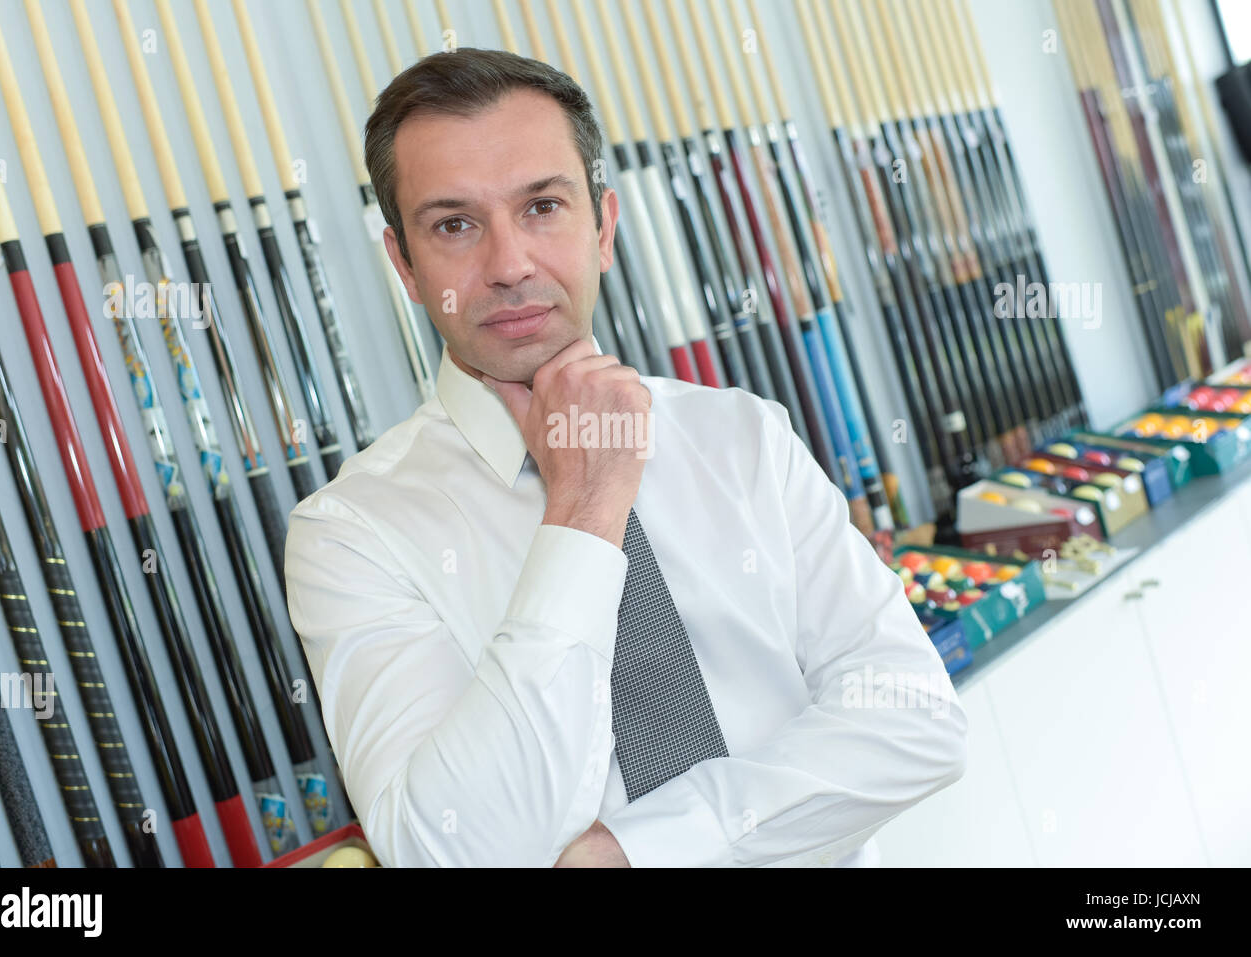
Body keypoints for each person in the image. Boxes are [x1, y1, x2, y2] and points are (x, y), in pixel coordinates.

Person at [284, 48, 968, 868]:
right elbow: (448, 850)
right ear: (404, 265)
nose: (508, 265)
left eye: (542, 206)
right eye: (455, 224)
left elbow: (916, 714)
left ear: (603, 227)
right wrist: (585, 509)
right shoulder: (351, 533)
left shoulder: (742, 436)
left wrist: (636, 851)